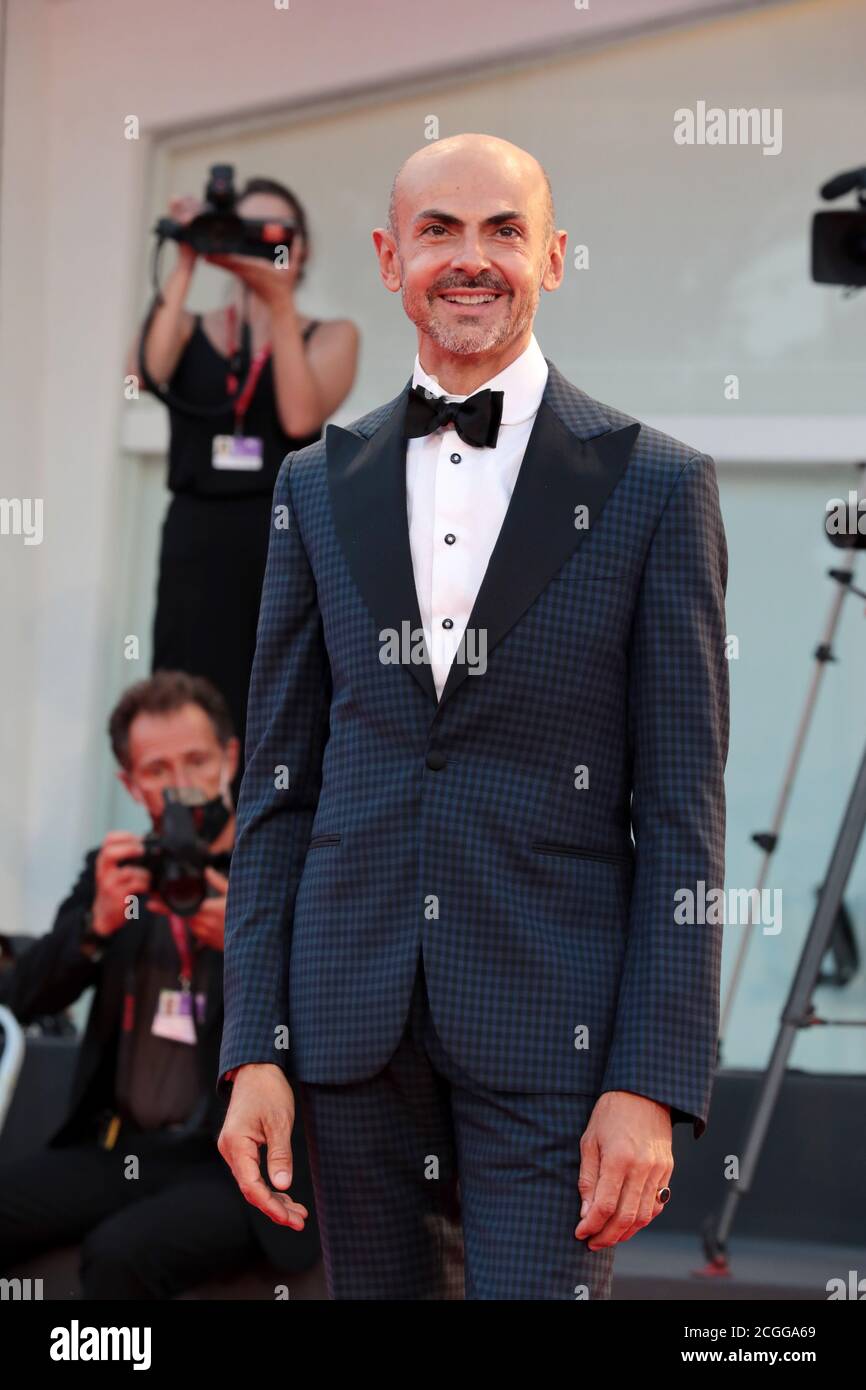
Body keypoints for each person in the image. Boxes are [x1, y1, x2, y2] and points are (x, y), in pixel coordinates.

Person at [215, 134, 729, 1300]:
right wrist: (256, 1044)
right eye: (439, 230)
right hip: (345, 1026)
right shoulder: (310, 484)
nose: (471, 257)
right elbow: (279, 793)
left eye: (503, 230)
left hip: (556, 1036)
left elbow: (683, 818)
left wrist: (650, 1080)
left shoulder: (653, 485)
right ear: (393, 258)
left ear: (550, 255)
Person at [0, 672, 319, 1298]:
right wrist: (91, 929)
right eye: (156, 769)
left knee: (121, 1252)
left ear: (229, 759)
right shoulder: (118, 870)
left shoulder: (277, 866)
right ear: (129, 783)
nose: (180, 784)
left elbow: (343, 1015)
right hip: (121, 1146)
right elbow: (20, 1005)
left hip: (231, 1158)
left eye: (197, 760)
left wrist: (247, 950)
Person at [125, 178, 359, 793]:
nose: (256, 247)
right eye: (243, 230)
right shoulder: (193, 323)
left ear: (300, 251)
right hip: (195, 542)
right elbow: (143, 373)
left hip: (278, 540)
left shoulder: (331, 335)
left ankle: (252, 865)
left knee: (271, 705)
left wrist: (277, 303)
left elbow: (299, 417)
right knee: (186, 705)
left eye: (272, 236)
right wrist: (186, 258)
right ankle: (183, 838)